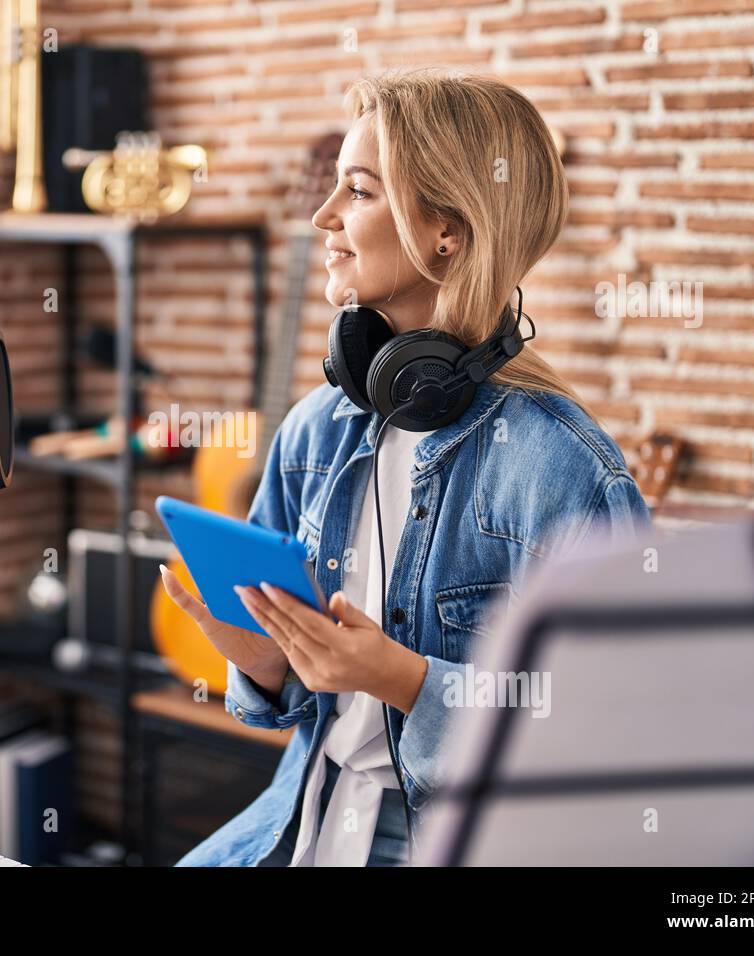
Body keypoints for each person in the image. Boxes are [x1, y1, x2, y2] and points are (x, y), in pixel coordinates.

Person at [159, 68, 652, 867]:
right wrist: (264, 664)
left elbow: (618, 733)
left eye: (357, 191)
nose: (323, 217)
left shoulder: (563, 470)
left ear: (447, 232)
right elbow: (292, 693)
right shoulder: (316, 429)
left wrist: (409, 681)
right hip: (303, 811)